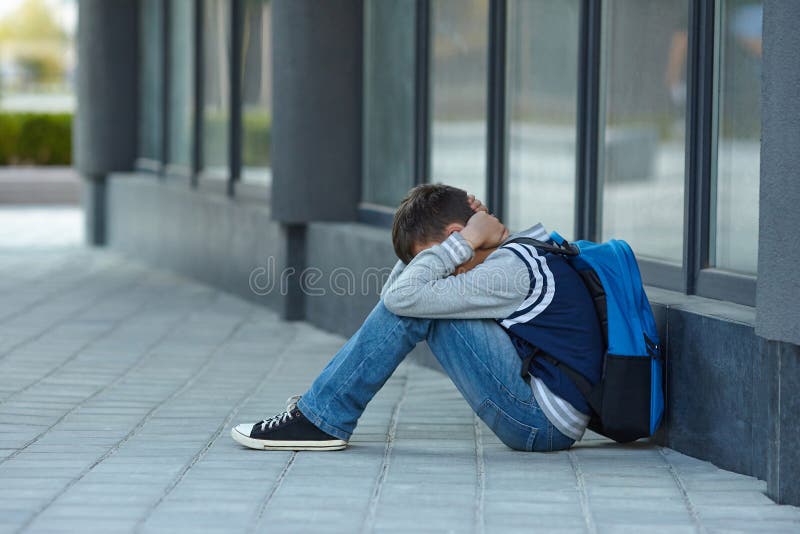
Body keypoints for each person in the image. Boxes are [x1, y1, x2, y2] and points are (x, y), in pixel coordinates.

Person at [231, 184, 604, 452]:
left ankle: (322, 418)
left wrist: (465, 241)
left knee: (420, 308)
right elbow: (400, 296)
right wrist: (466, 236)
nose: (441, 266)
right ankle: (322, 414)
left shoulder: (507, 272)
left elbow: (402, 298)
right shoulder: (513, 254)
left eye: (435, 256)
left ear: (461, 236)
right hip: (544, 410)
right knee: (419, 302)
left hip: (540, 423)